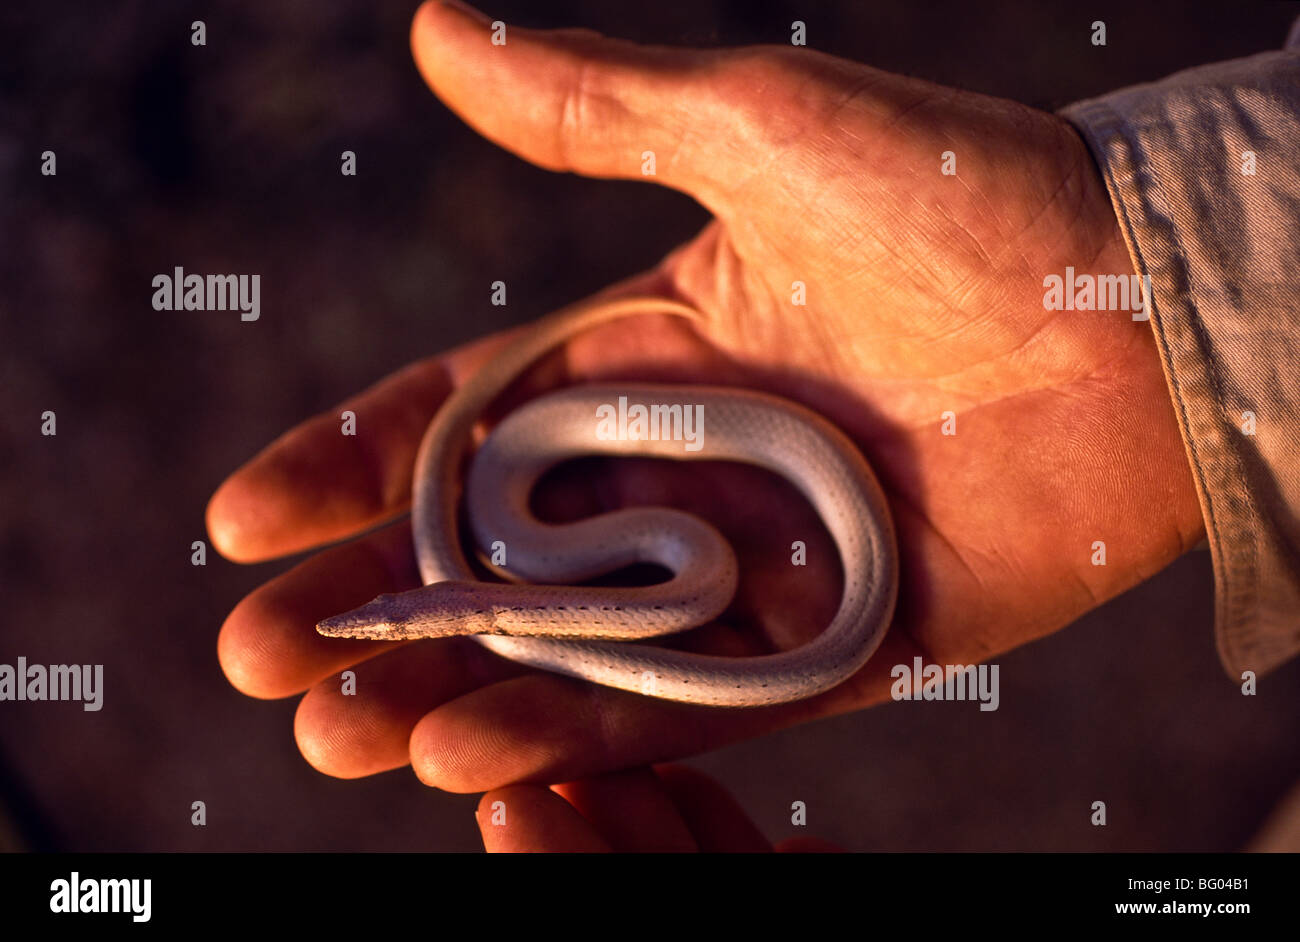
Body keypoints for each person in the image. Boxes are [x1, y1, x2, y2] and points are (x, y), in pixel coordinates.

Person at [206, 1, 1300, 851]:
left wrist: (1167, 285)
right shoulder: (503, 566)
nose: (389, 626)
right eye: (404, 624)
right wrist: (1190, 282)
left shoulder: (513, 563)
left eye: (402, 619)